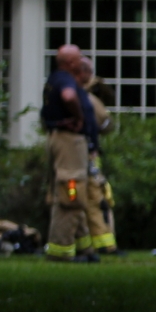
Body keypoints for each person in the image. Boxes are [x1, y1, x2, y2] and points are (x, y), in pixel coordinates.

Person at [40, 44, 91, 262]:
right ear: (70, 62)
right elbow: (69, 97)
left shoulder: (53, 80)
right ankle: (60, 250)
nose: (82, 61)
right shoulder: (65, 80)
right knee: (71, 193)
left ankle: (84, 247)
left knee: (73, 192)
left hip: (59, 139)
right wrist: (79, 118)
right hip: (69, 142)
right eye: (78, 58)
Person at [74, 55, 118, 257]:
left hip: (76, 154)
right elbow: (107, 124)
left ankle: (86, 242)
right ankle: (104, 244)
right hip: (88, 155)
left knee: (81, 199)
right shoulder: (88, 100)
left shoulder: (71, 95)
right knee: (96, 198)